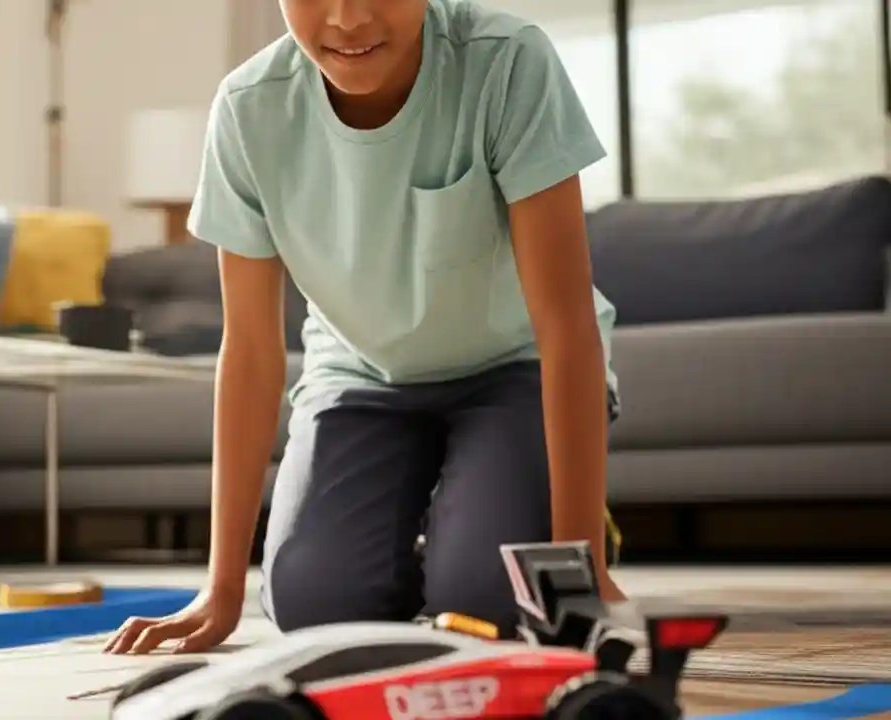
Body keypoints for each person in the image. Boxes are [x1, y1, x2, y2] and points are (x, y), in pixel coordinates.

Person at [104, 0, 625, 656]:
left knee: (491, 602)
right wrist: (223, 588)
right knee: (312, 606)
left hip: (514, 369)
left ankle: (510, 524)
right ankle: (452, 532)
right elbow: (251, 352)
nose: (348, 19)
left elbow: (566, 325)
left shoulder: (508, 61)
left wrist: (578, 568)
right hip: (360, 379)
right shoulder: (249, 108)